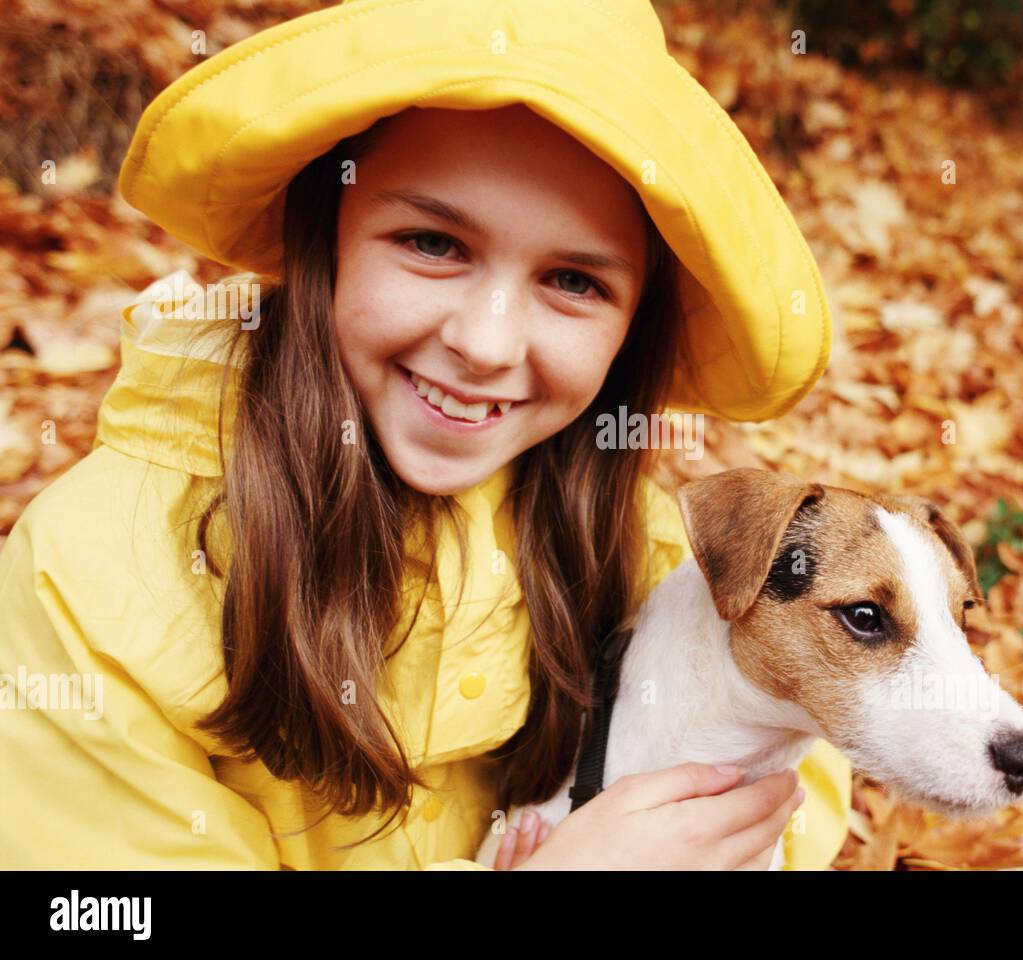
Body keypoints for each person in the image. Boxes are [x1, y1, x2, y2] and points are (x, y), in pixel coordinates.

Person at [0, 0, 849, 870]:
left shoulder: (646, 545)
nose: (483, 345)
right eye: (433, 242)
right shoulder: (93, 572)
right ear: (325, 232)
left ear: (634, 326)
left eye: (572, 281)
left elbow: (795, 758)